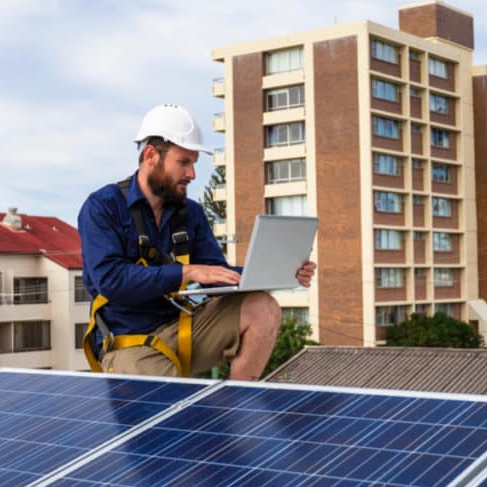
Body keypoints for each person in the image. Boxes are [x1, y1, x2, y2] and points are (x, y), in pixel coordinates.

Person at [78, 104, 316, 380]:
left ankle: (238, 404)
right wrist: (186, 272)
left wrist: (276, 272)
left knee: (263, 308)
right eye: (184, 163)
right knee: (169, 412)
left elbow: (215, 275)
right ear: (151, 155)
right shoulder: (103, 207)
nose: (191, 174)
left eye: (193, 164)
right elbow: (112, 281)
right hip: (131, 342)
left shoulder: (189, 213)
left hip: (185, 328)